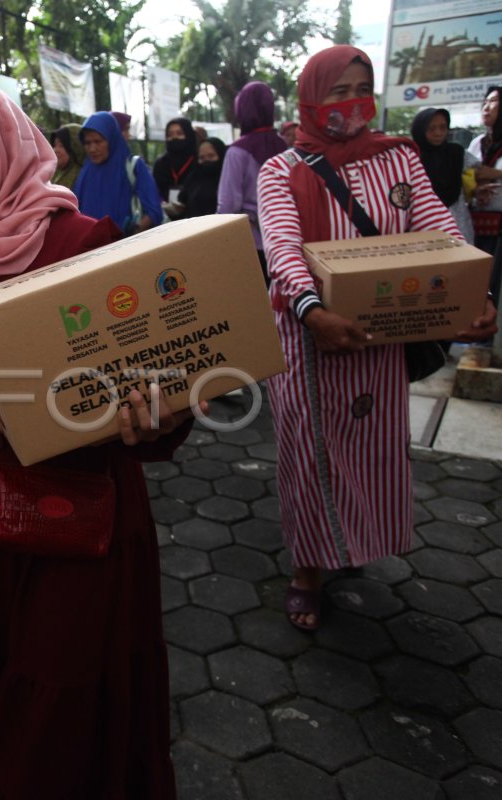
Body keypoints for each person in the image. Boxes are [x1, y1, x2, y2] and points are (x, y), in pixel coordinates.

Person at [0, 72, 191, 799]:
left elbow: (153, 381)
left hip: (81, 517)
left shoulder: (87, 242)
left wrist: (162, 411)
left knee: (61, 699)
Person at [256, 46, 498, 632]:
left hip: (381, 333)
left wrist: (474, 289)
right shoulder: (281, 170)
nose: (351, 102)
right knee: (313, 455)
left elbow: (438, 226)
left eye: (361, 87)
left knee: (372, 447)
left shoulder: (399, 159)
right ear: (310, 99)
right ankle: (308, 569)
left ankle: (353, 541)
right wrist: (313, 309)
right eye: (337, 91)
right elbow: (282, 249)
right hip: (309, 338)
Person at [218, 81, 289, 282]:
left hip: (250, 244)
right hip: (285, 242)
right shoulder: (285, 147)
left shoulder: (237, 152)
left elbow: (228, 206)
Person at [73, 111, 163, 234]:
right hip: (92, 249)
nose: (92, 149)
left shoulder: (134, 167)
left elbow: (154, 211)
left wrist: (134, 230)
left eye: (98, 141)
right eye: (87, 143)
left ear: (112, 139)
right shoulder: (85, 174)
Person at [412, 108, 476, 242]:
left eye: (443, 127)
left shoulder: (457, 153)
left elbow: (479, 171)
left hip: (456, 218)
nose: (438, 133)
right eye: (431, 128)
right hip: (422, 220)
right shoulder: (411, 156)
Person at [469, 87, 502, 298]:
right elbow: (467, 176)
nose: (486, 107)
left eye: (493, 102)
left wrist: (495, 173)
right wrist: (475, 189)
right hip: (477, 223)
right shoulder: (478, 143)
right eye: (485, 102)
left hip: (500, 226)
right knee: (475, 281)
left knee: (493, 284)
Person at [153, 116, 198, 218]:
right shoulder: (161, 164)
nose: (174, 138)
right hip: (166, 219)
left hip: (195, 218)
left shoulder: (199, 161)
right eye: (170, 135)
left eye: (179, 134)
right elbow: (154, 190)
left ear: (189, 135)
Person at [179, 136, 226, 217]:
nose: (206, 160)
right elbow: (183, 200)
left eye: (211, 156)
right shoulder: (193, 178)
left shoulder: (227, 181)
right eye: (201, 158)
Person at [49, 123, 85, 190]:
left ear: (75, 148)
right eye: (54, 145)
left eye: (61, 146)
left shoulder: (83, 178)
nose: (55, 150)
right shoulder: (53, 174)